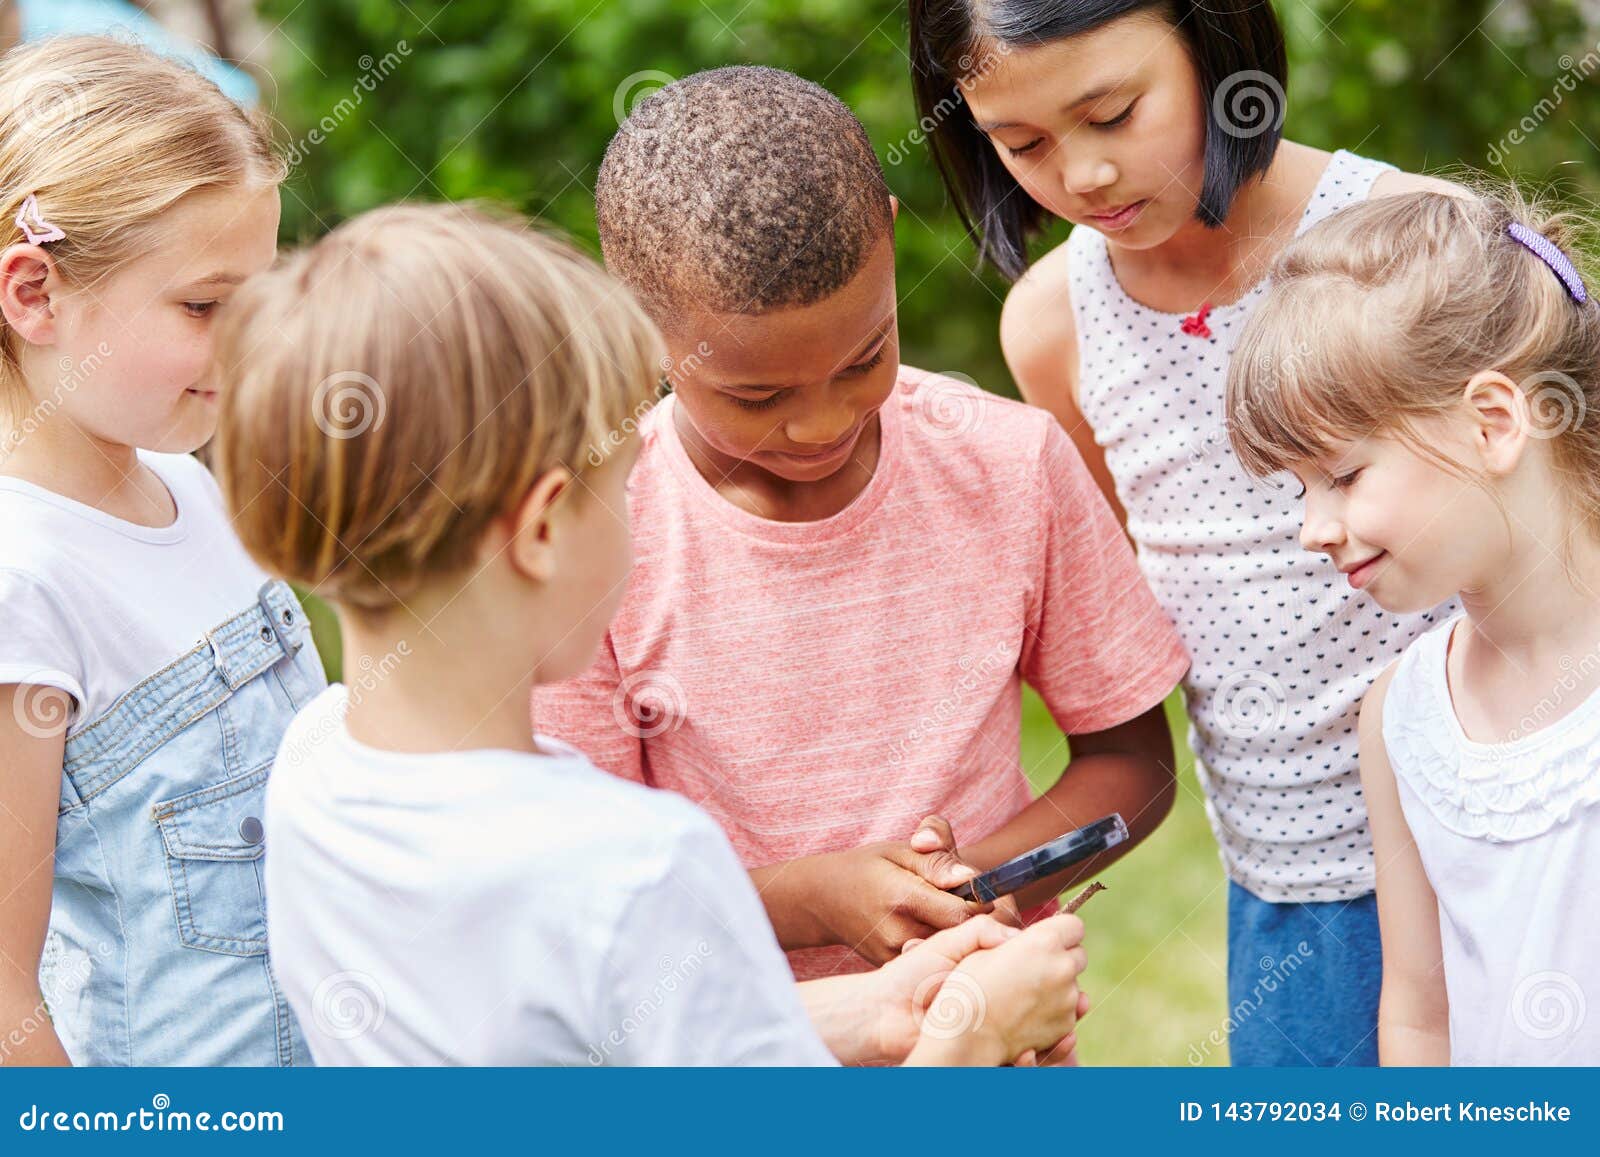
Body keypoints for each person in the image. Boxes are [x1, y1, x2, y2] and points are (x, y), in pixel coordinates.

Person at [213, 201, 1092, 1066]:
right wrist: (971, 1031)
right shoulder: (639, 868)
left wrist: (876, 1008)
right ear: (546, 526)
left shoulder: (313, 763)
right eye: (623, 485)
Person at [533, 65, 1190, 981]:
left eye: (864, 357)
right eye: (756, 394)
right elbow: (588, 886)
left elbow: (1131, 760)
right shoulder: (595, 537)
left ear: (886, 235)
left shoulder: (1010, 464)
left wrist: (971, 889)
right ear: (635, 322)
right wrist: (807, 900)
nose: (822, 424)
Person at [908, 0, 1459, 1063]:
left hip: (1499, 841)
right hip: (1294, 888)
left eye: (1112, 113)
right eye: (1020, 144)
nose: (1083, 176)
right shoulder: (1052, 322)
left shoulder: (1413, 240)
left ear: (1216, 43)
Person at [1227, 187, 1600, 1065]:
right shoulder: (1402, 716)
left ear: (1493, 422)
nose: (1312, 528)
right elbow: (1419, 1012)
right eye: (1299, 490)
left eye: (1344, 474)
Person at [0, 36, 312, 1065]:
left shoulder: (186, 482)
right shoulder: (22, 579)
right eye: (202, 305)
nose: (248, 340)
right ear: (35, 294)